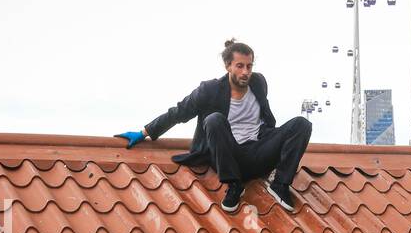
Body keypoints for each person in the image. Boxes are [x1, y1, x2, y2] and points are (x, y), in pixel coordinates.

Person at [116, 39, 313, 215]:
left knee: (301, 124)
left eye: (249, 66)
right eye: (240, 66)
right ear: (228, 66)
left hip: (259, 151)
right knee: (213, 120)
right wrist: (145, 132)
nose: (246, 72)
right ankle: (234, 185)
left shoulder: (259, 82)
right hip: (231, 157)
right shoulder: (209, 90)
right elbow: (179, 111)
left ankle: (280, 185)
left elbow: (268, 120)